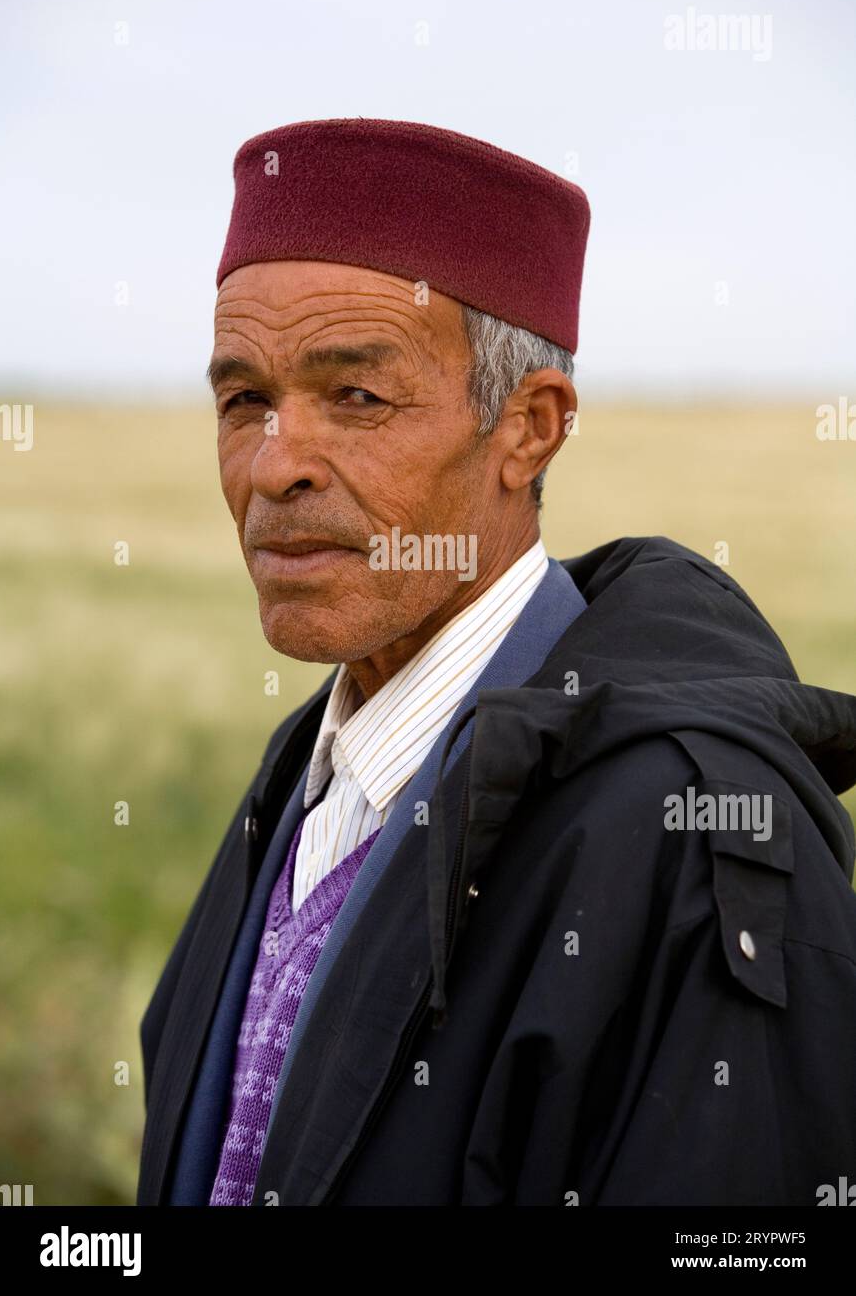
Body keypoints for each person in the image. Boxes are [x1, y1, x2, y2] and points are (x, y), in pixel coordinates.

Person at [137, 117, 856, 1206]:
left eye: (356, 397)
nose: (272, 465)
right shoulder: (307, 771)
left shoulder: (695, 837)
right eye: (244, 399)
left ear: (527, 428)